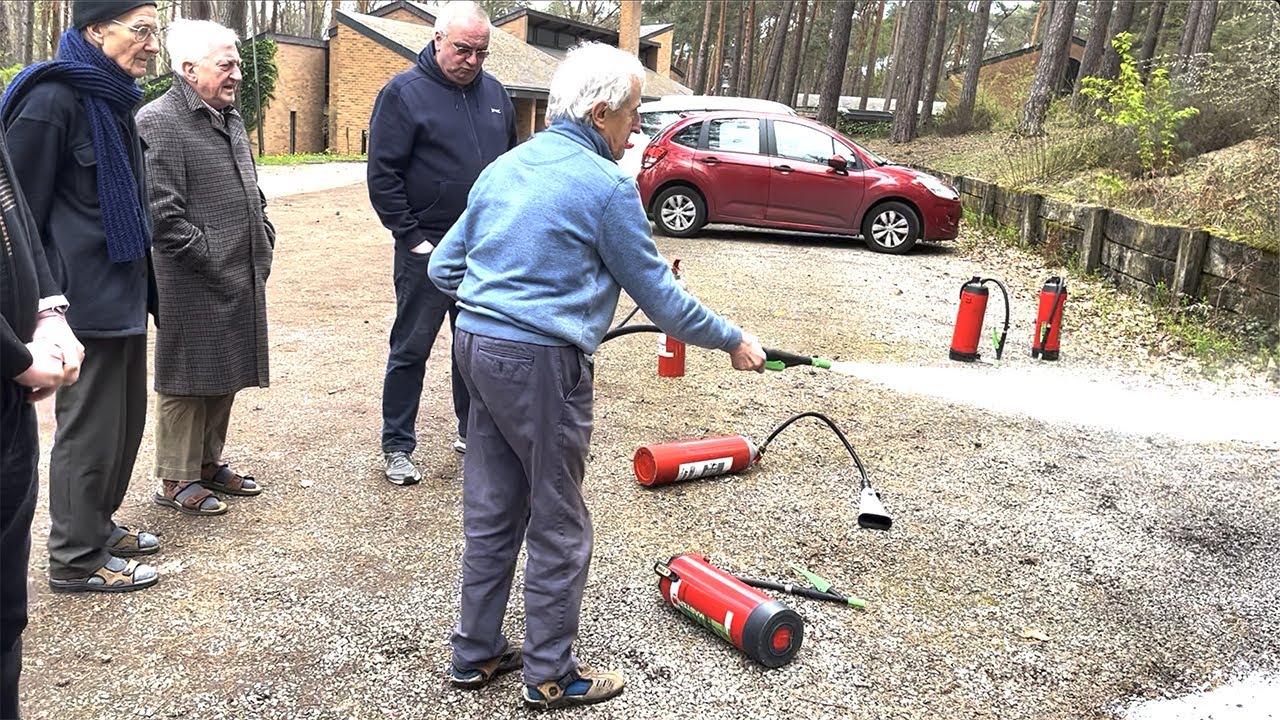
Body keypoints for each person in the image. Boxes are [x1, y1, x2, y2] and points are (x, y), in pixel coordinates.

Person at [427, 42, 767, 710]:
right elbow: (663, 300)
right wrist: (732, 339)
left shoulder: (506, 167)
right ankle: (550, 674)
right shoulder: (607, 186)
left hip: (474, 347)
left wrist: (499, 303)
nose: (635, 131)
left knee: (494, 509)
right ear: (601, 111)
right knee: (559, 520)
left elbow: (443, 268)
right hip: (539, 366)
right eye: (632, 116)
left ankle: (475, 653)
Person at [0, 0, 161, 593]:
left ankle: (98, 524)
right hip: (75, 307)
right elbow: (14, 218)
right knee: (88, 431)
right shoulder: (50, 101)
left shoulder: (113, 99)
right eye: (140, 30)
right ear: (96, 30)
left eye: (154, 31)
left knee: (122, 426)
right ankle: (74, 555)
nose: (151, 44)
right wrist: (44, 305)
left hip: (122, 295)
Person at [366, 0, 517, 486]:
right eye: (462, 49)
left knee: (473, 345)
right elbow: (382, 175)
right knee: (411, 346)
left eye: (481, 52)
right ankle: (397, 444)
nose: (471, 61)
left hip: (481, 248)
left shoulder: (495, 94)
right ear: (437, 40)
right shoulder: (403, 94)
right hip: (427, 247)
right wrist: (411, 239)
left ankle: (471, 431)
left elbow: (510, 167)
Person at [136, 19, 274, 517]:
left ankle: (207, 462)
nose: (237, 73)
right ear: (189, 69)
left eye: (236, 63)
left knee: (227, 367)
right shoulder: (160, 120)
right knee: (186, 376)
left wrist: (263, 236)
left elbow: (251, 189)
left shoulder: (229, 116)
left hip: (242, 268)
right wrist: (212, 256)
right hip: (192, 275)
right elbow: (162, 215)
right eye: (227, 64)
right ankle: (175, 477)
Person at [1, 131, 85, 720]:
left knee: (5, 613)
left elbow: (14, 207)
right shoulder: (51, 103)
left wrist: (46, 311)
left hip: (7, 407)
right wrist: (14, 355)